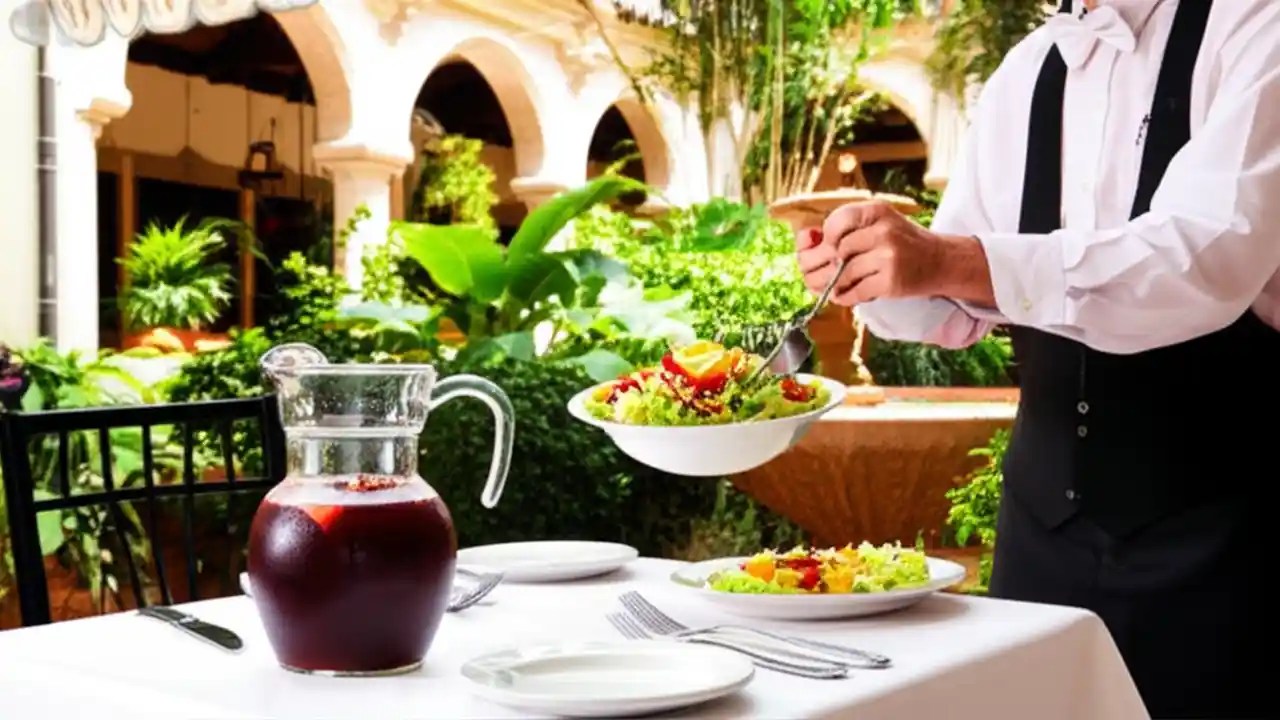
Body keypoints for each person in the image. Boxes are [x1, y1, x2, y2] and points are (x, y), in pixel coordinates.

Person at [796, 1, 1279, 718]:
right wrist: (871, 269)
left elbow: (1203, 259)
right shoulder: (1024, 72)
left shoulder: (1257, 28)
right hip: (1042, 535)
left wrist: (949, 260)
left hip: (1229, 534)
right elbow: (961, 298)